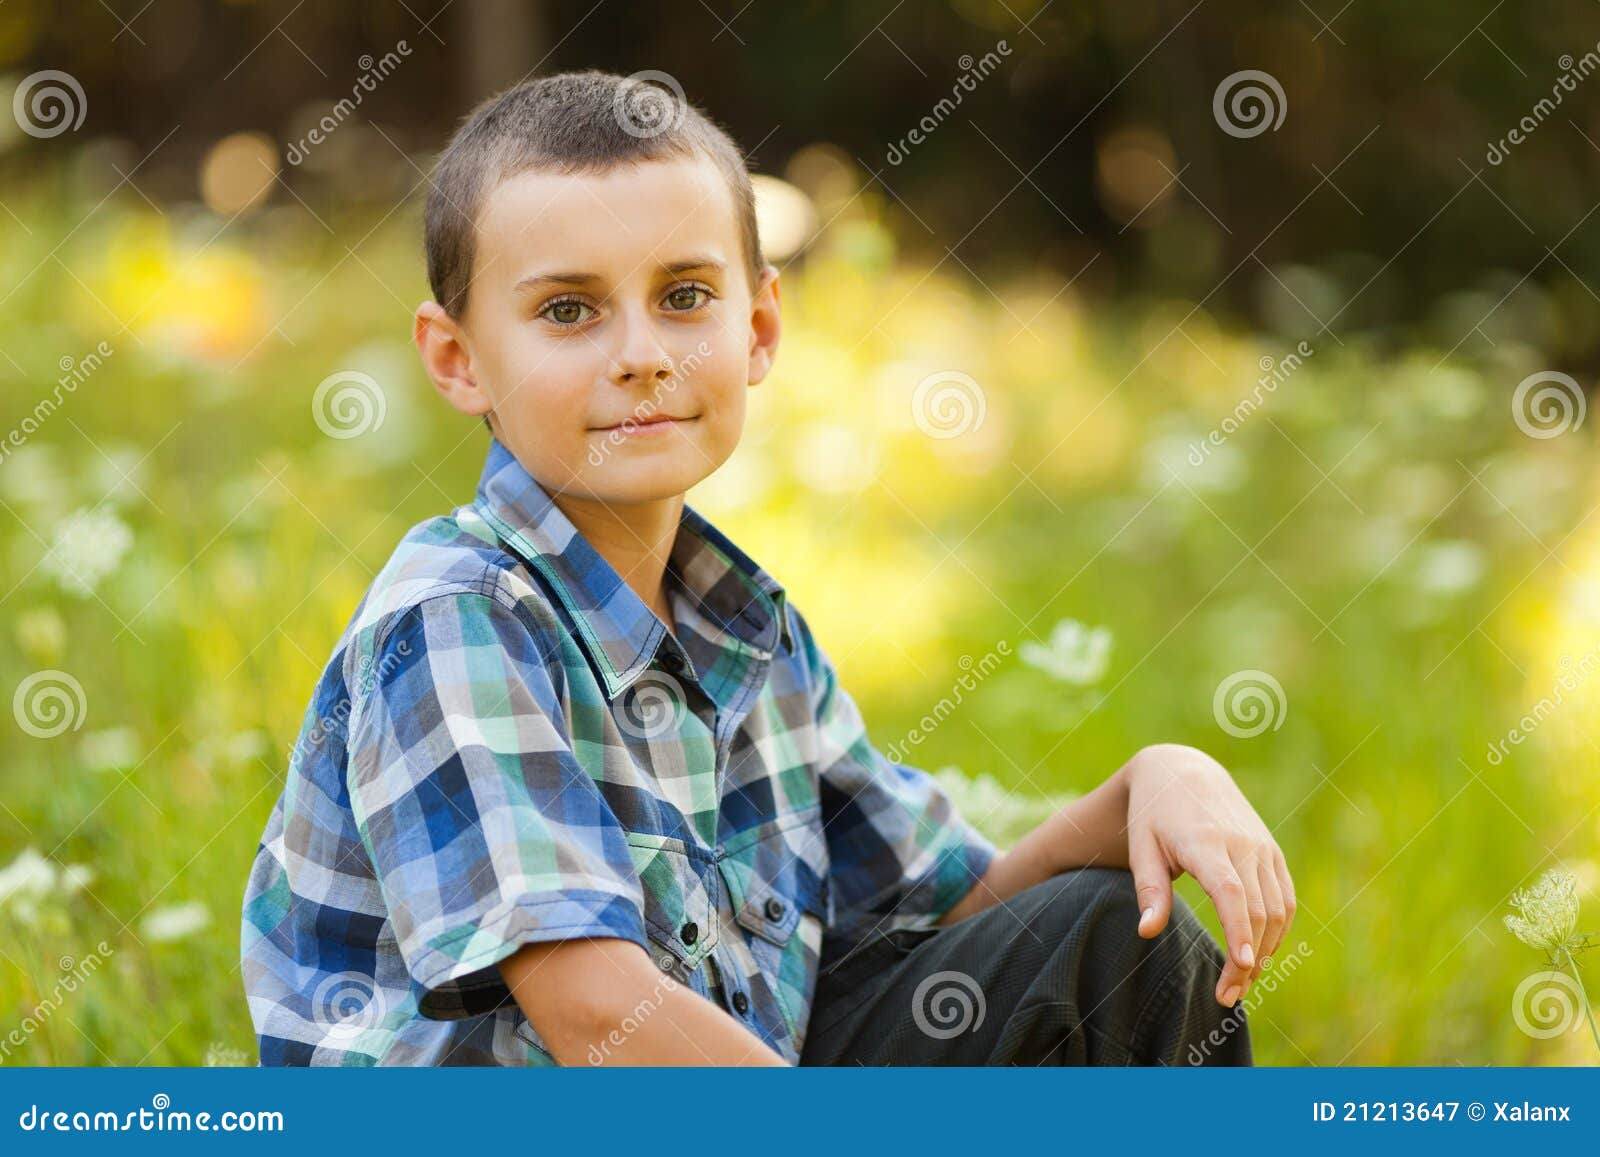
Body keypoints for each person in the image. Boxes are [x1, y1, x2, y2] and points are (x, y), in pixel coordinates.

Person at [240, 69, 1291, 1066]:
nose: (641, 354)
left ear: (758, 326)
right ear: (458, 357)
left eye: (684, 295)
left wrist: (1151, 782)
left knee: (1117, 935)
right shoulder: (454, 618)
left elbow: (952, 909)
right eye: (568, 309)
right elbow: (595, 1010)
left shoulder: (746, 630)